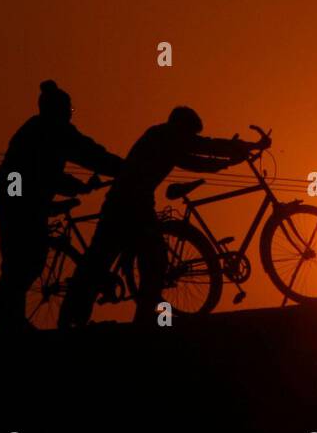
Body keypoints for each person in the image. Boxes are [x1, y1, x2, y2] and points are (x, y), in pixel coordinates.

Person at [57, 106, 268, 328]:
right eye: (190, 133)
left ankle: (74, 319)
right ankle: (142, 319)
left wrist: (229, 159)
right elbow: (206, 146)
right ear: (182, 126)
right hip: (134, 204)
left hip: (122, 202)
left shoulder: (163, 138)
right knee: (153, 258)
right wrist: (244, 147)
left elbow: (196, 160)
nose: (191, 138)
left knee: (98, 261)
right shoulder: (167, 135)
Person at [0, 80, 122, 332]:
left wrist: (72, 185)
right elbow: (89, 155)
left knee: (20, 259)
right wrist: (124, 169)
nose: (69, 115)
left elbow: (46, 172)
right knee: (27, 259)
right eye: (69, 110)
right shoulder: (52, 130)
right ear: (60, 109)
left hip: (18, 198)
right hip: (20, 200)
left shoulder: (35, 128)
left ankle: (9, 316)